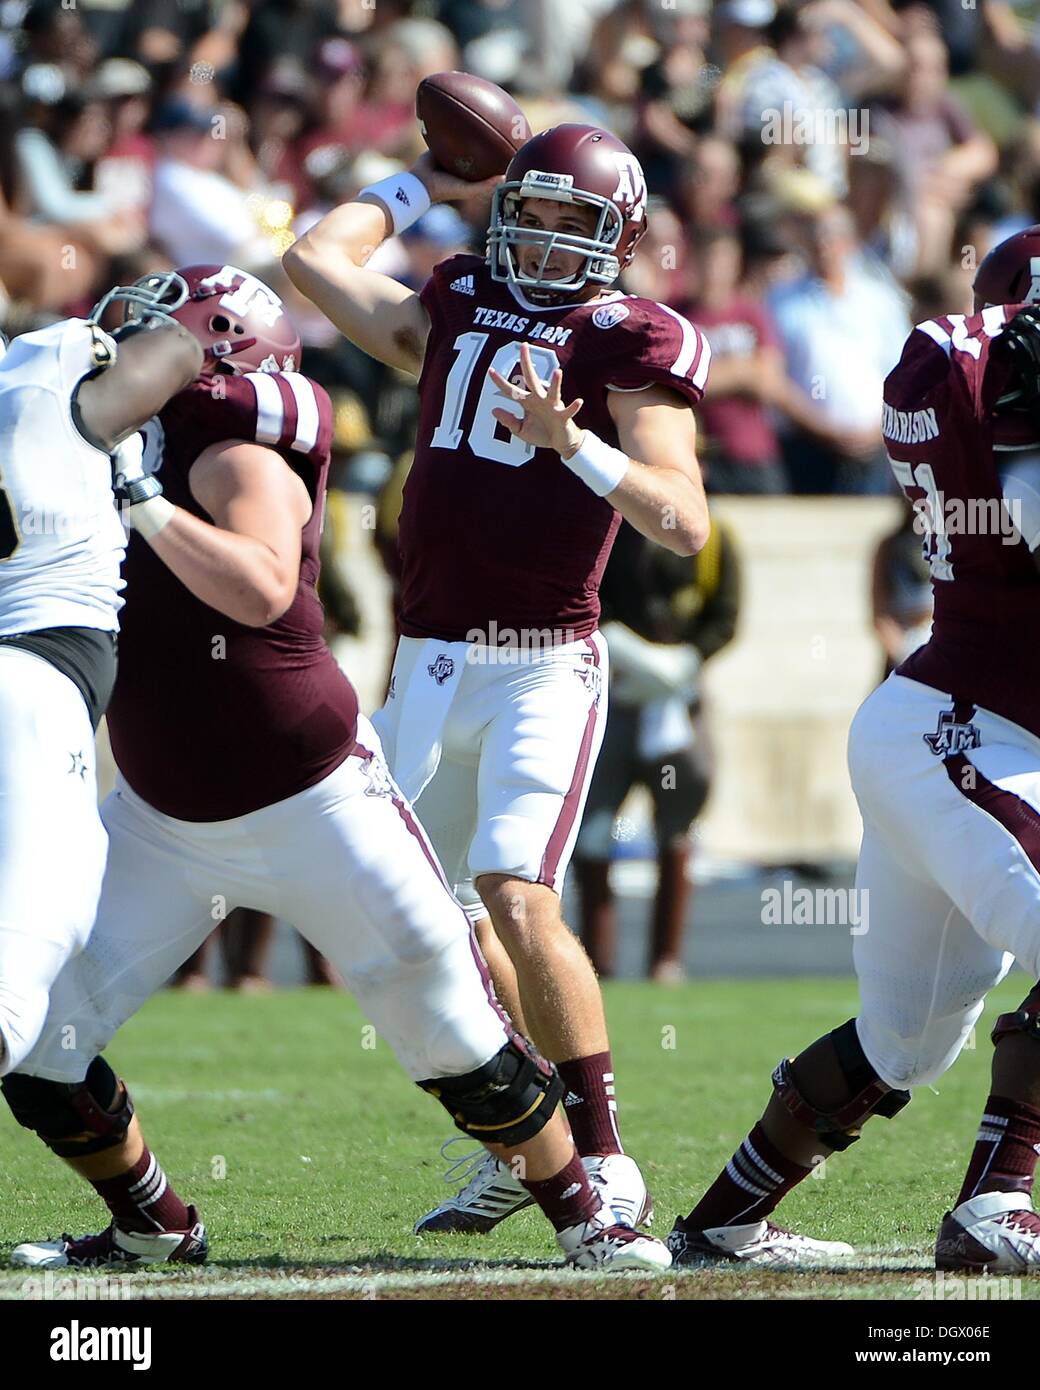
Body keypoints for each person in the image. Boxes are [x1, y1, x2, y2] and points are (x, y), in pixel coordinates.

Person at [4, 262, 670, 1275]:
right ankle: (155, 1221)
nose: (117, 353)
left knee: (448, 1028)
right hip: (161, 812)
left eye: (148, 335)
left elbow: (263, 588)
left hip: (310, 795)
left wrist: (139, 494)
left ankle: (588, 1215)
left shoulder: (226, 443)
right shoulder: (95, 440)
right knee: (42, 1039)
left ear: (216, 348)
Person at [284, 123, 711, 1234]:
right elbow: (311, 262)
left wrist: (572, 444)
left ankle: (604, 1157)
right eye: (535, 210)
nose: (549, 236)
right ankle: (535, 1143)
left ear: (617, 236)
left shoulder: (627, 337)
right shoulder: (461, 297)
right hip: (423, 659)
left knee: (517, 892)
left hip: (539, 662)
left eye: (577, 221)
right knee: (424, 923)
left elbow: (681, 519)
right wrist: (417, 180)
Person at [669, 225, 1040, 1270]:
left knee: (905, 1038)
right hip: (967, 733)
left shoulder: (982, 412)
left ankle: (720, 1221)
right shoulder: (966, 381)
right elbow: (943, 351)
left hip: (942, 730)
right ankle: (990, 1204)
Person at [0, 274, 203, 1080]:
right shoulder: (44, 384)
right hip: (33, 680)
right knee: (22, 984)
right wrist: (101, 333)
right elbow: (180, 348)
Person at [572, 516, 741, 982]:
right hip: (616, 692)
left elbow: (725, 617)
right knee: (592, 826)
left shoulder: (714, 535)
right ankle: (595, 960)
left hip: (677, 698)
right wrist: (626, 653)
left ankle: (666, 959)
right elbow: (583, 595)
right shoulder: (603, 523)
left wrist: (684, 660)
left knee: (678, 823)